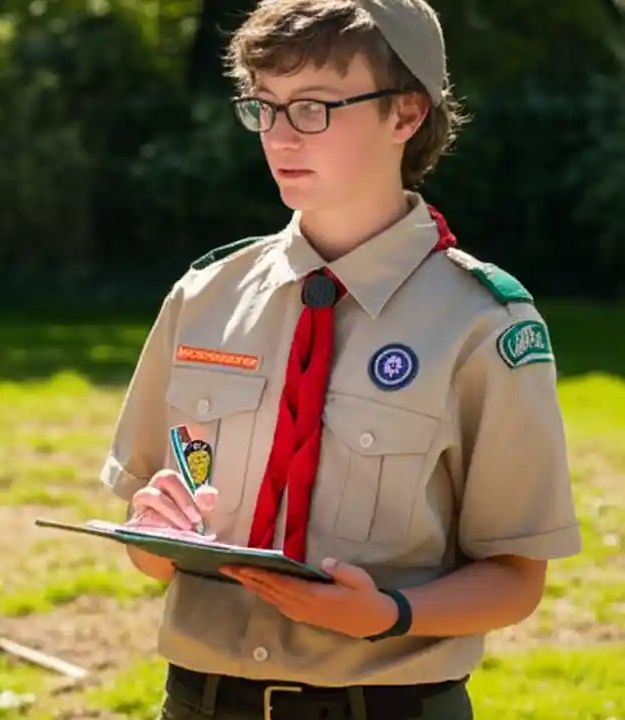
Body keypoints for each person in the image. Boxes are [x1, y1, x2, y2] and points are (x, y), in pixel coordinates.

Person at [100, 2, 582, 718]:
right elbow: (150, 545)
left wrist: (388, 614)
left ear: (406, 113)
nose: (280, 135)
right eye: (264, 106)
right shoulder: (205, 297)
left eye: (314, 107)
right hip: (199, 700)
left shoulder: (483, 324)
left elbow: (515, 577)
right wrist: (153, 535)